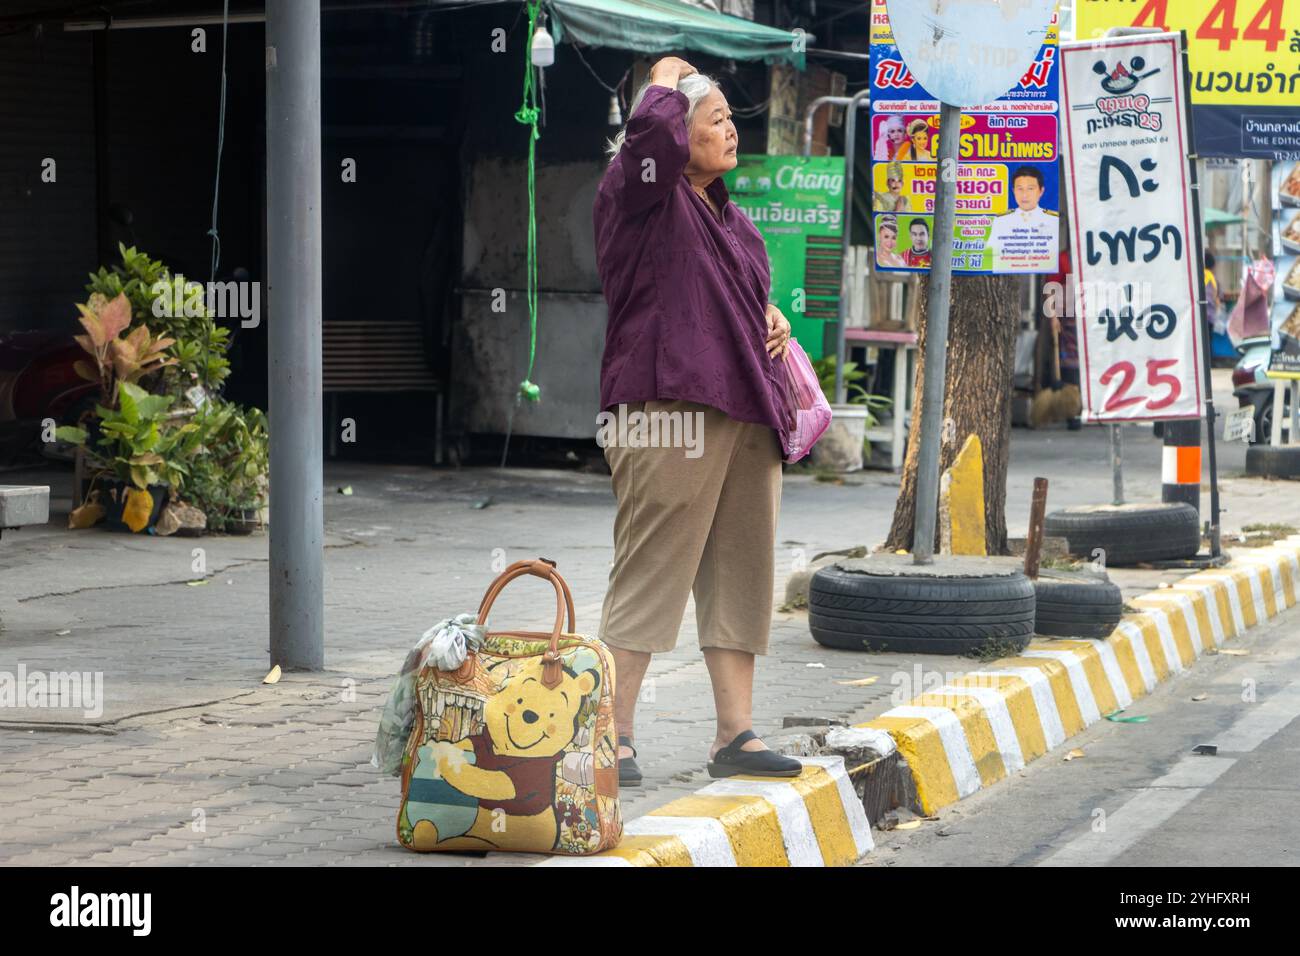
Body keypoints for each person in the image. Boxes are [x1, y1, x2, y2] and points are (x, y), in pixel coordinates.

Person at [593, 56, 803, 786]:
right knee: (652, 567)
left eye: (729, 117)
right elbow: (645, 137)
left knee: (740, 573)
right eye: (715, 118)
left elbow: (737, 295)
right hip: (665, 408)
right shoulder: (641, 193)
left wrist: (771, 317)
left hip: (745, 410)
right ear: (675, 136)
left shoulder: (733, 221)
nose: (732, 128)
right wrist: (662, 73)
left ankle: (735, 736)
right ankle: (611, 735)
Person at [988, 165, 1058, 270]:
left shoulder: (1053, 220)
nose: (1025, 195)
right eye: (1020, 189)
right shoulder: (1001, 220)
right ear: (1013, 191)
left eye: (1030, 189)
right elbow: (991, 255)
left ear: (1041, 191)